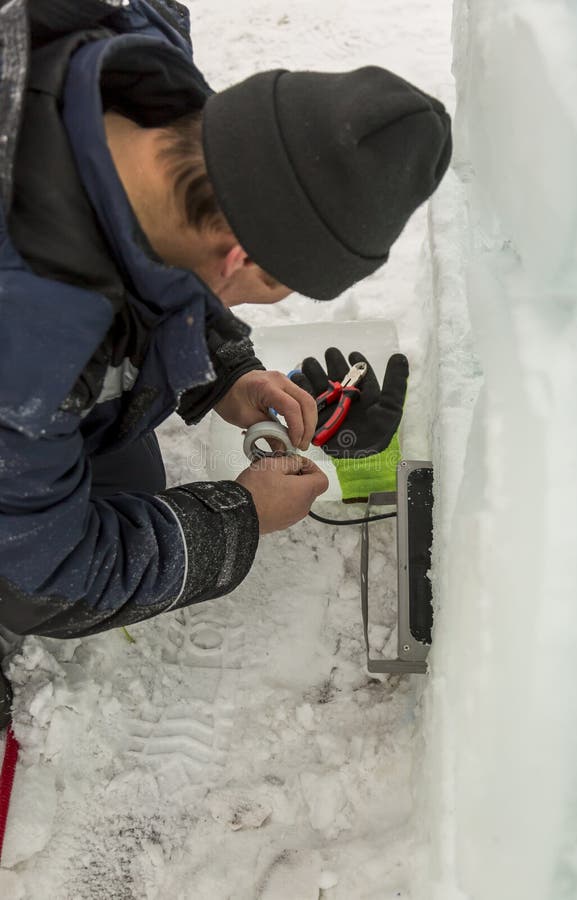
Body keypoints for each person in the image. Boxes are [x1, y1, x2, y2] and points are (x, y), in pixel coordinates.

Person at [0, 0, 452, 657]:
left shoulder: (145, 98)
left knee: (131, 490)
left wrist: (227, 372)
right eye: (267, 288)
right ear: (238, 255)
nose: (243, 304)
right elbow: (47, 579)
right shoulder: (31, 345)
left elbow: (164, 256)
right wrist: (240, 520)